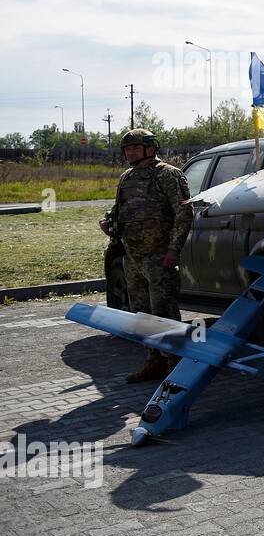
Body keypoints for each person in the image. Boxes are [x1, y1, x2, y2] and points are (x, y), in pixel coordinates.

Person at [100, 129, 195, 381]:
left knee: (164, 313)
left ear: (151, 148)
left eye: (135, 147)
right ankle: (154, 361)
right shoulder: (127, 177)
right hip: (133, 259)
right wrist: (109, 223)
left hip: (160, 258)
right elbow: (120, 209)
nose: (130, 152)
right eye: (127, 148)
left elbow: (184, 214)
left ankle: (178, 366)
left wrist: (174, 250)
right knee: (141, 315)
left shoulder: (168, 175)